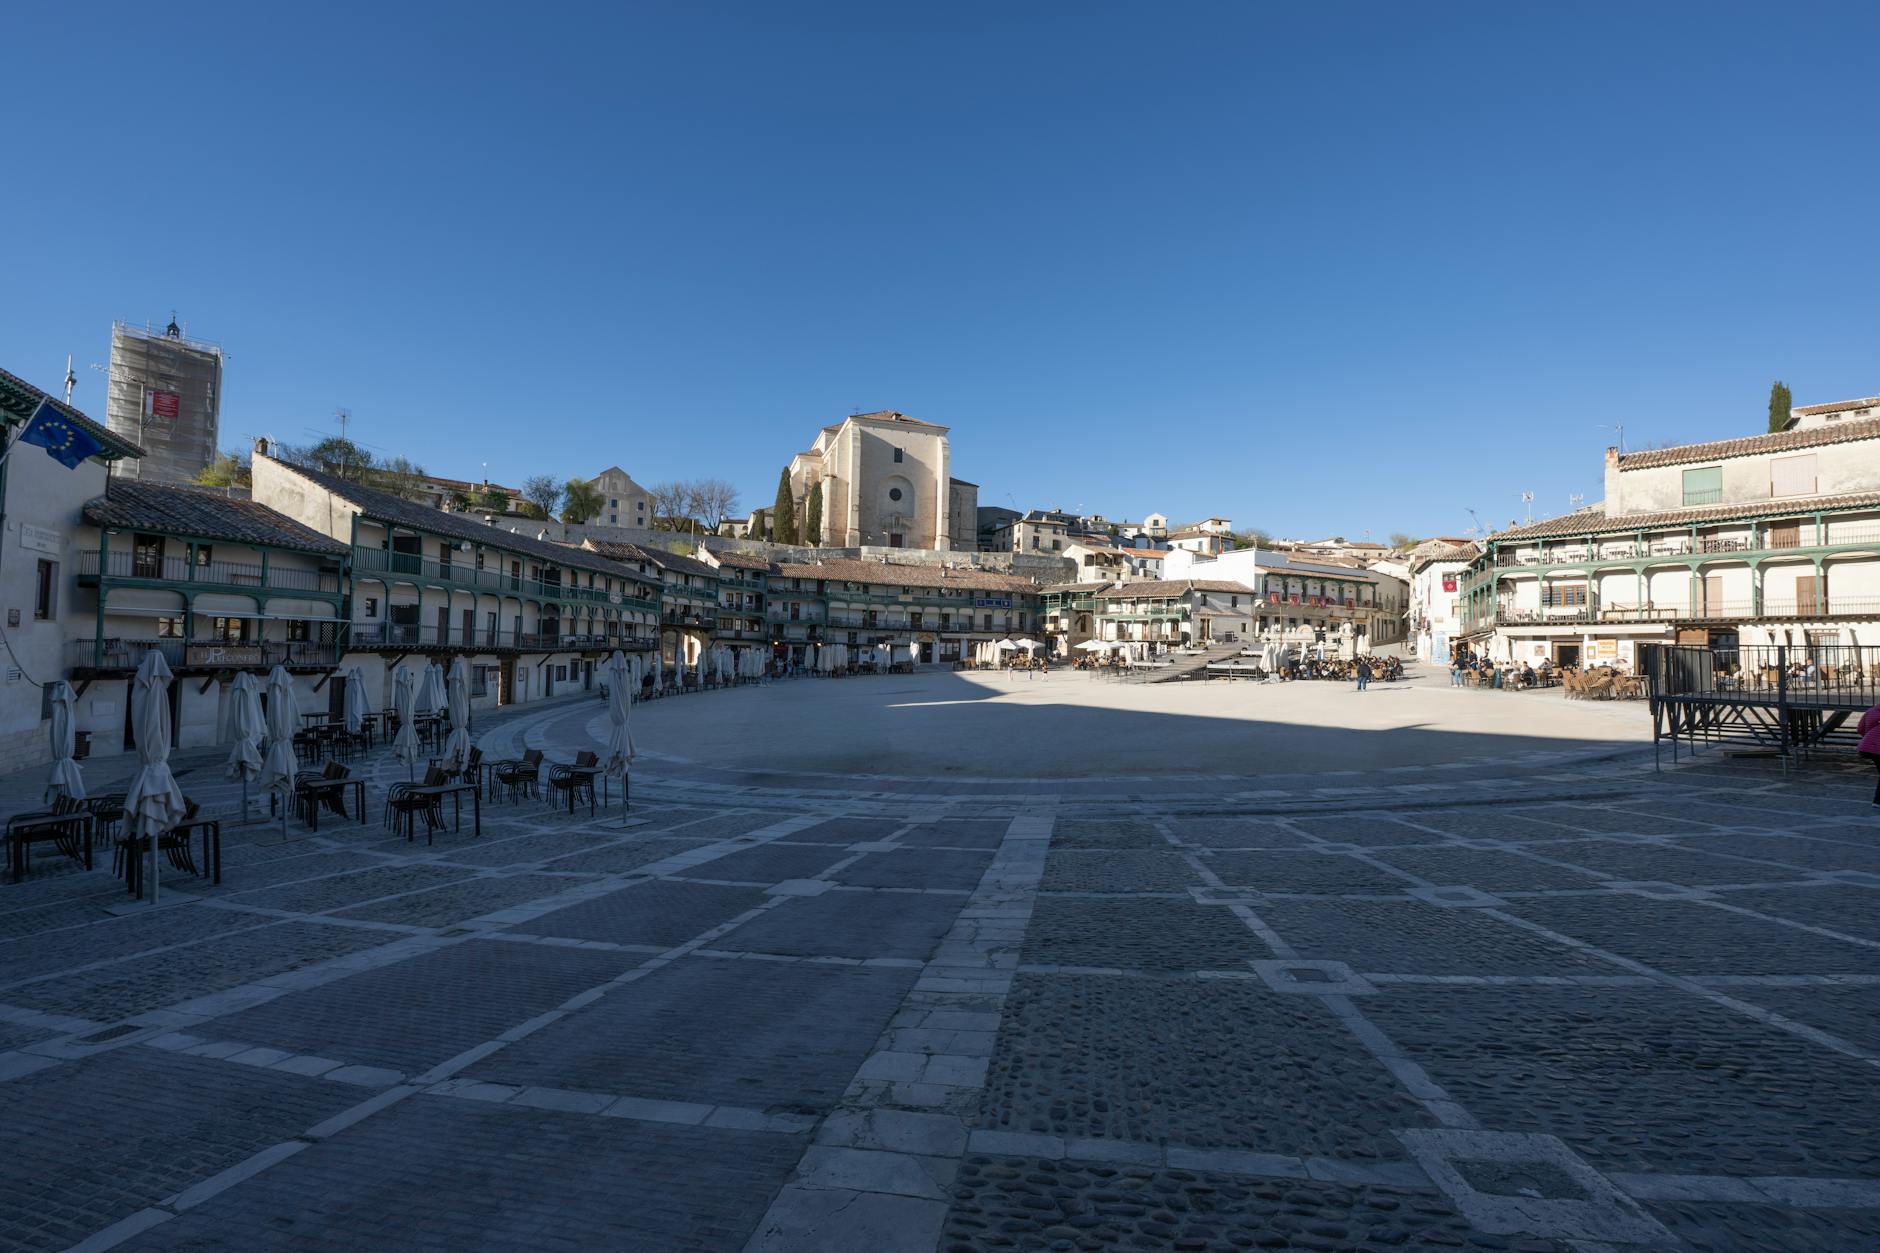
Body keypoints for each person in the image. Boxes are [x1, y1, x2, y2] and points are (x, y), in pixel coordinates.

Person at [1860, 701, 1880, 806]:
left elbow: (1860, 729)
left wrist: (1869, 738)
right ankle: (1877, 801)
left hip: (1866, 747)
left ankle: (1877, 801)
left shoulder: (1870, 711)